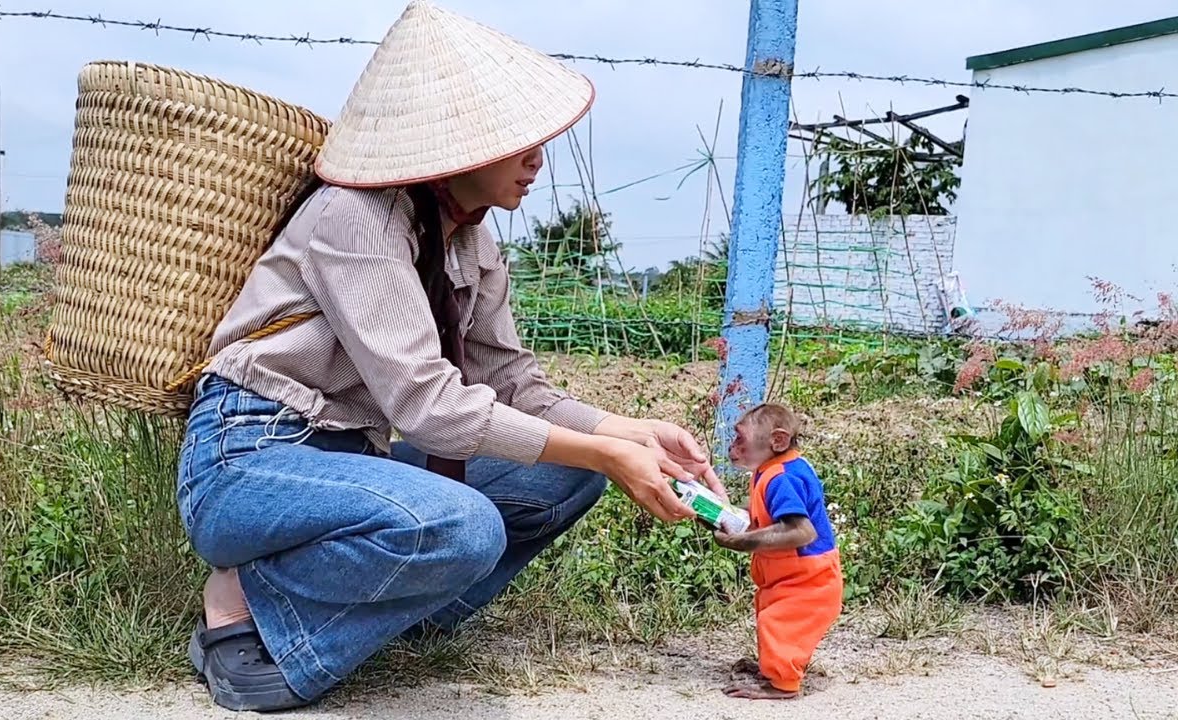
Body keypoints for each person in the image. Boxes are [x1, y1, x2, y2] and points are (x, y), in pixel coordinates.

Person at [174, 1, 727, 712]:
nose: (536, 159)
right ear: (454, 147)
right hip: (251, 458)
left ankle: (387, 619)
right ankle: (246, 604)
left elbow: (511, 385)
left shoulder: (471, 240)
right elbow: (428, 408)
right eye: (517, 141)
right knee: (468, 524)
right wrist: (603, 453)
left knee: (566, 478)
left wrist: (628, 433)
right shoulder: (354, 218)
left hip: (351, 463)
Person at [712, 403, 843, 701]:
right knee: (771, 618)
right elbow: (766, 515)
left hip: (810, 580)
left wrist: (742, 542)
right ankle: (775, 668)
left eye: (740, 440)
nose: (733, 447)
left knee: (778, 624)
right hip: (790, 577)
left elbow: (801, 531)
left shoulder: (783, 476)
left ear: (778, 441)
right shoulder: (768, 471)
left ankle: (782, 685)